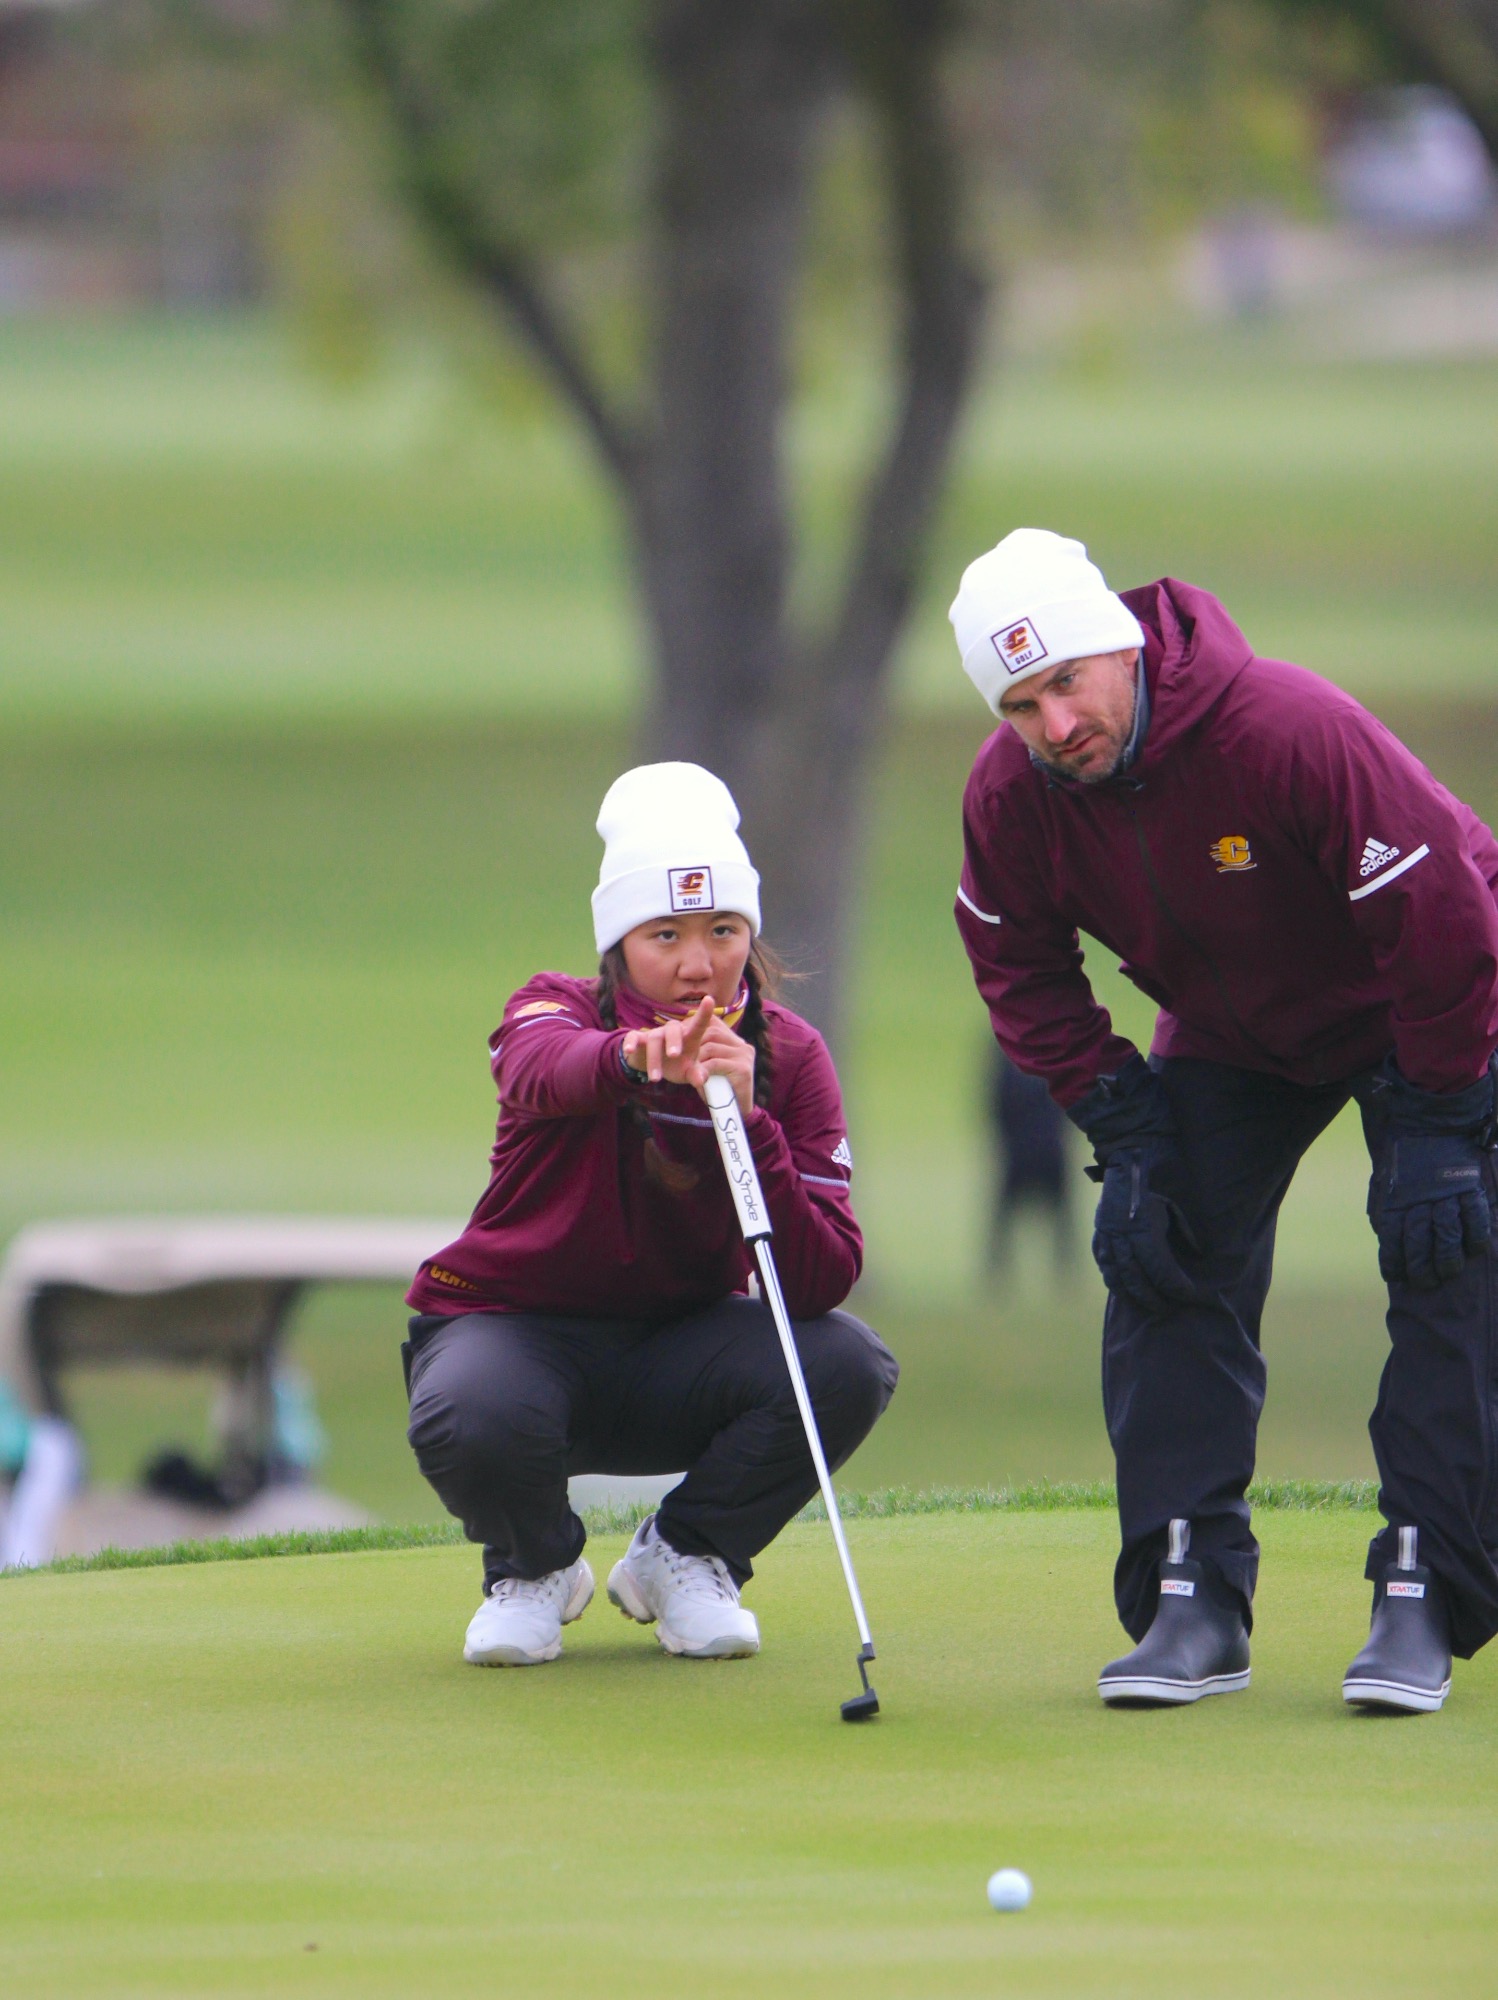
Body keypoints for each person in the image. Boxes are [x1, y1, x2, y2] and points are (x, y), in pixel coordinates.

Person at [949, 527, 1498, 1714]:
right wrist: (1123, 1124)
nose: (1052, 725)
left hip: (1431, 1006)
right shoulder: (1013, 797)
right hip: (1232, 1031)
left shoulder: (1287, 728)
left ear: (1120, 644)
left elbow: (1445, 911)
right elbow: (1018, 967)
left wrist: (1445, 1123)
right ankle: (1188, 1590)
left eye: (1063, 683)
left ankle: (1425, 1592)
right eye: (1017, 703)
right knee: (1162, 1250)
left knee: (1448, 1257)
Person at [403, 762, 897, 1668]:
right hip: (518, 1336)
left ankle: (686, 1556)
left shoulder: (788, 1058)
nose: (698, 962)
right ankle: (537, 1567)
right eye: (664, 934)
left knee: (848, 1365)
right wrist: (637, 1061)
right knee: (468, 1411)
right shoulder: (554, 1007)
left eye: (723, 930)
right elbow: (539, 1070)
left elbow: (822, 1278)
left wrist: (748, 1124)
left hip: (683, 1352)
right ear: (619, 942)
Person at [986, 1044, 1074, 1274]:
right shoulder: (1055, 1046)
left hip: (1022, 1149)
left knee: (1005, 1213)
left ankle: (999, 1267)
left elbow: (996, 1105)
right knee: (1060, 1213)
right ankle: (1063, 1266)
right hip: (1046, 1146)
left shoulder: (1004, 1052)